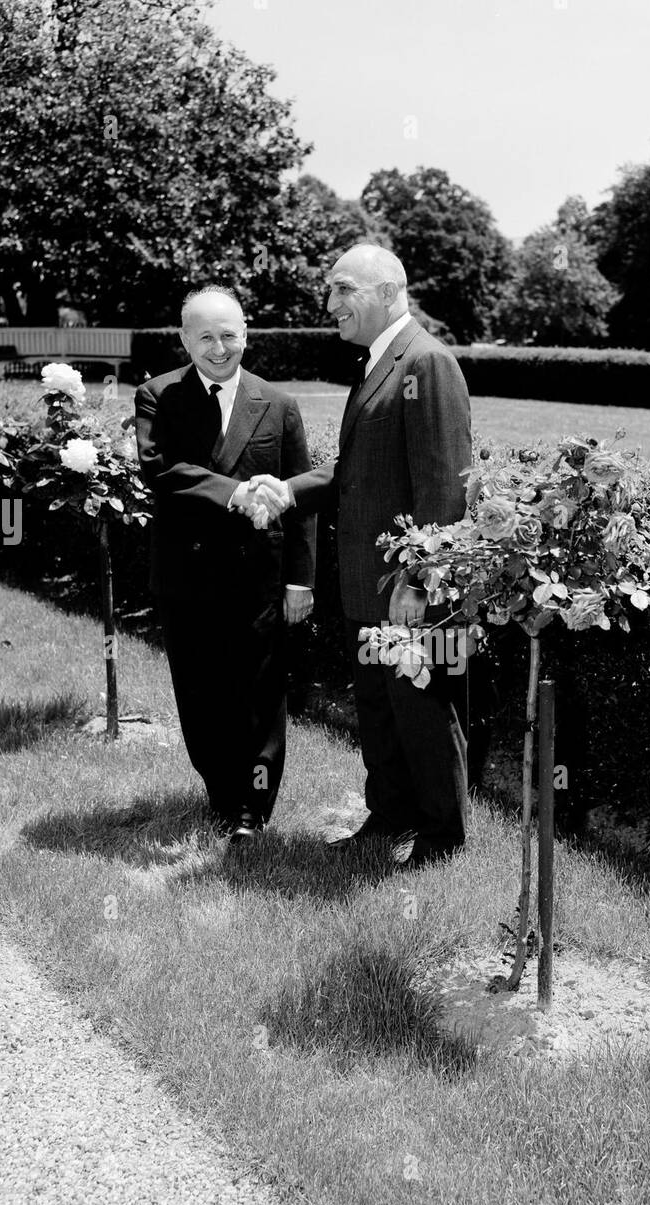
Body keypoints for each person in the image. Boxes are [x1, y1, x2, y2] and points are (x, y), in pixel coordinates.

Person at [245, 245, 471, 866]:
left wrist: (421, 584)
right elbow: (356, 470)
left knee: (422, 708)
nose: (330, 303)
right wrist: (291, 488)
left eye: (343, 289)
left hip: (406, 588)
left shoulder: (428, 363)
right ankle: (391, 815)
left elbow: (445, 490)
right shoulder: (376, 364)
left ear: (388, 291)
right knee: (379, 706)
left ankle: (441, 837)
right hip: (365, 583)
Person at [134, 286, 317, 839]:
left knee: (260, 696)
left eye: (230, 335)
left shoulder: (279, 404)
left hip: (258, 581)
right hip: (186, 579)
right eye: (206, 336)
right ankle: (220, 791)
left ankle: (251, 810)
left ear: (247, 334)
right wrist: (237, 493)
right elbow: (162, 472)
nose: (220, 348)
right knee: (200, 692)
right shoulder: (157, 395)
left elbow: (301, 500)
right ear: (185, 338)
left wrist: (300, 581)